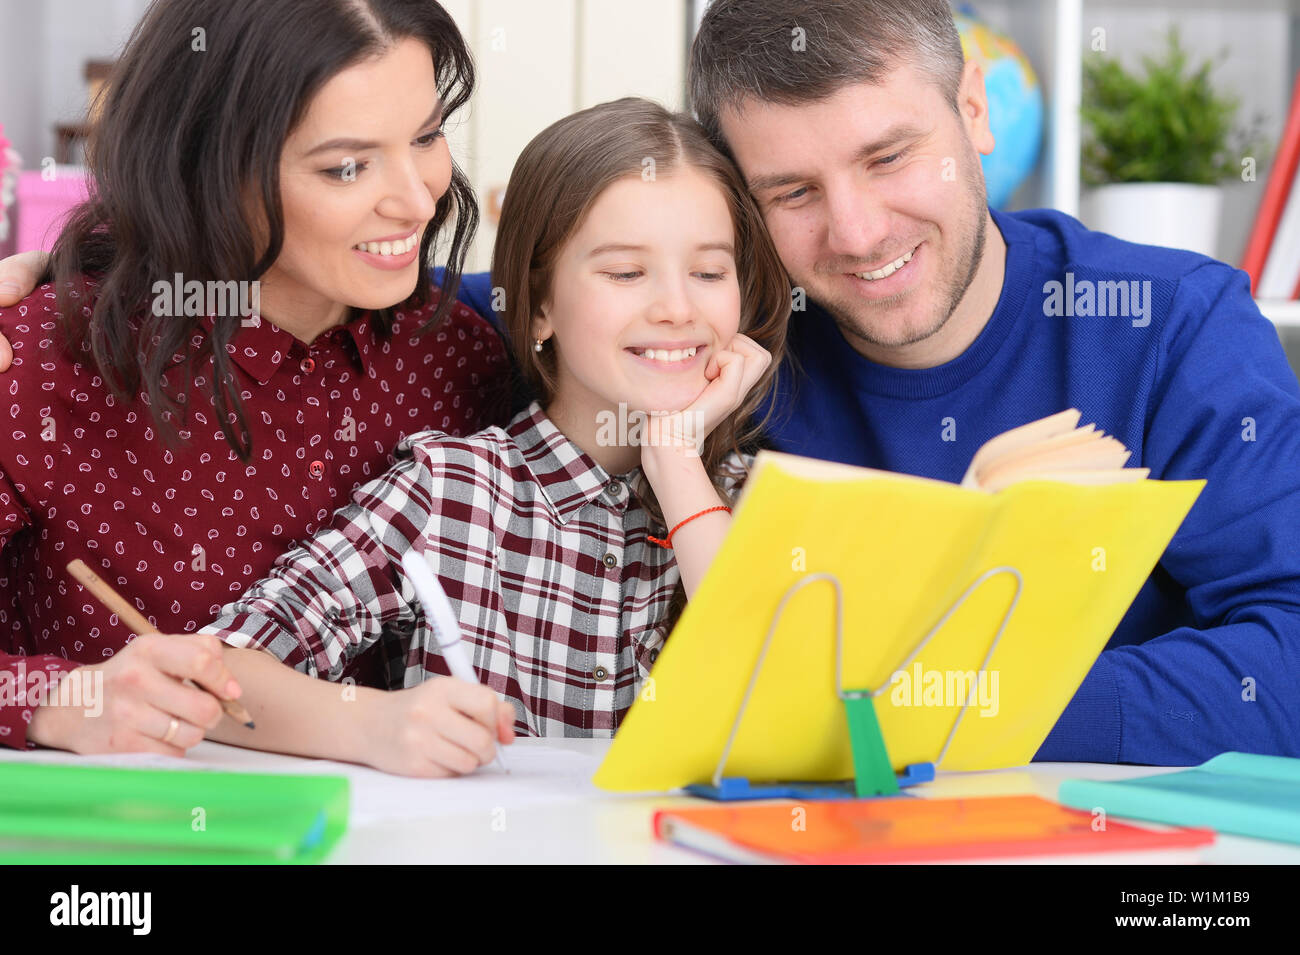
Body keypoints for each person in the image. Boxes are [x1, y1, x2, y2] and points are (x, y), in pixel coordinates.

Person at [6, 0, 1298, 767]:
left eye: (891, 153)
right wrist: (89, 260)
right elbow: (500, 294)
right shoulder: (613, 353)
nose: (853, 232)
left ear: (975, 102)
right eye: (789, 191)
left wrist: (950, 697)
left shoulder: (1174, 325)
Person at [164, 98, 786, 775]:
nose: (676, 308)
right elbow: (217, 672)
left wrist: (674, 459)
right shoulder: (450, 490)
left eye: (708, 272)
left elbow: (790, 715)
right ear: (539, 303)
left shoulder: (760, 501)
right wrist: (374, 723)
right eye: (626, 272)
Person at [0, 0, 512, 758]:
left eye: (428, 137)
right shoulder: (40, 362)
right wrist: (57, 698)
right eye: (346, 166)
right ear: (210, 168)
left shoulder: (461, 359)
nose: (415, 197)